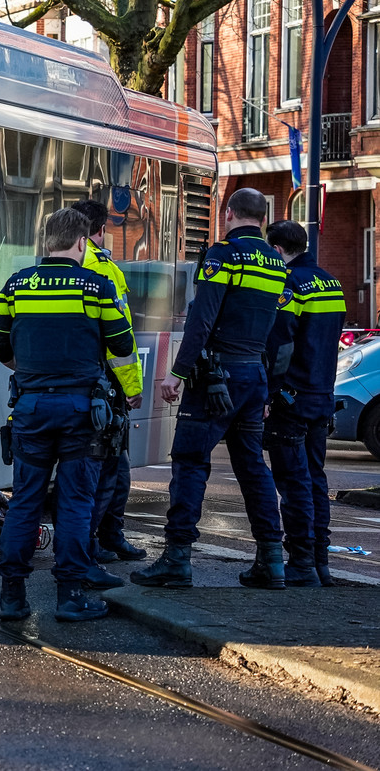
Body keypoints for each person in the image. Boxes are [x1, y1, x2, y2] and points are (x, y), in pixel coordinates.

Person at [133, 188, 288, 589]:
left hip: (217, 377)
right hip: (254, 376)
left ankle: (176, 558)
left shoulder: (223, 254)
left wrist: (177, 373)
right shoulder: (276, 262)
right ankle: (272, 560)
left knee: (189, 461)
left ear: (229, 213)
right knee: (252, 466)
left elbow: (202, 317)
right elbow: (277, 330)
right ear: (263, 218)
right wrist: (265, 386)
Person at [0, 208, 136, 623]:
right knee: (75, 502)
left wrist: (28, 370)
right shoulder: (97, 285)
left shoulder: (17, 285)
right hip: (81, 411)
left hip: (31, 408)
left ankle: (12, 598)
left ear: (46, 243)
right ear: (82, 243)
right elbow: (122, 345)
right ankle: (70, 597)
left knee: (25, 503)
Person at [264, 220, 346, 587]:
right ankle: (321, 562)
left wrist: (269, 392)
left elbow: (281, 346)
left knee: (293, 481)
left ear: (278, 250)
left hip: (291, 398)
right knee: (315, 479)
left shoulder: (290, 284)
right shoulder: (333, 282)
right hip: (321, 395)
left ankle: (300, 562)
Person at [72, 199, 146, 582]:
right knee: (112, 468)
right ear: (98, 232)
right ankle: (101, 541)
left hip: (72, 384)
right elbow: (121, 339)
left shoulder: (48, 268)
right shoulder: (104, 270)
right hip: (107, 387)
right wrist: (133, 388)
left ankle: (97, 541)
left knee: (86, 471)